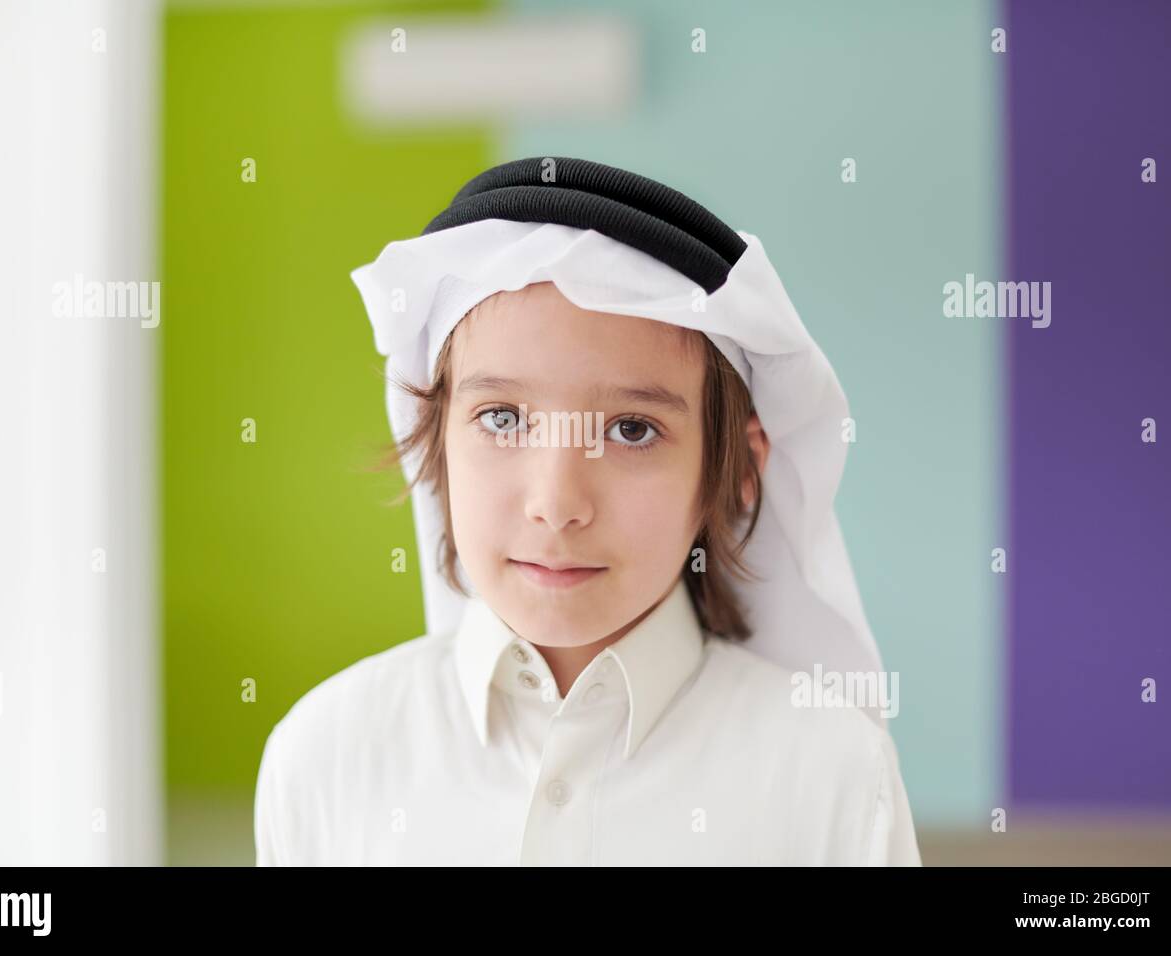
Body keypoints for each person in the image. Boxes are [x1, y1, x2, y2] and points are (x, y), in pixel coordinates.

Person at [254, 157, 921, 865]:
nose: (557, 505)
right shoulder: (326, 755)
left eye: (631, 429)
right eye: (503, 417)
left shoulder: (834, 779)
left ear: (738, 471)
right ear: (436, 439)